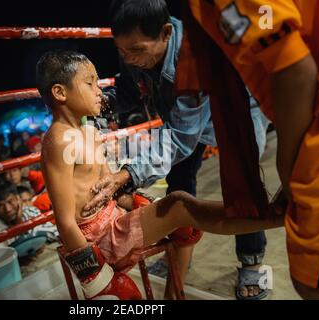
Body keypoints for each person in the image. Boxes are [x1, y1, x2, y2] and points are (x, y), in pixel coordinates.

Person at [36, 50, 283, 300]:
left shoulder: (88, 131)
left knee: (184, 222)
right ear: (60, 92)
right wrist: (95, 277)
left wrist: (136, 202)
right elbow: (66, 221)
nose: (99, 90)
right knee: (180, 206)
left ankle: (171, 297)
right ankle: (273, 215)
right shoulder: (57, 141)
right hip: (96, 240)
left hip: (113, 222)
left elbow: (107, 189)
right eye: (89, 83)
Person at [89, 0, 271, 299]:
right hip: (186, 117)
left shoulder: (195, 59)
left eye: (135, 51)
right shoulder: (134, 47)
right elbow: (130, 87)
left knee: (242, 186)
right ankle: (179, 252)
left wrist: (127, 174)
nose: (128, 58)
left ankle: (253, 263)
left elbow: (180, 140)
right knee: (179, 183)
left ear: (165, 33)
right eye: (122, 51)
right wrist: (102, 102)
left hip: (237, 107)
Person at [174, 0, 319, 300]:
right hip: (318, 106)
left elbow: (295, 69)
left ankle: (251, 261)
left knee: (318, 283)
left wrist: (290, 172)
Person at [0, 182, 58, 248]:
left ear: (18, 198)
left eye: (10, 201)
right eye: (0, 205)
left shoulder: (31, 211)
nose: (8, 209)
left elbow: (55, 233)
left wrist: (20, 222)